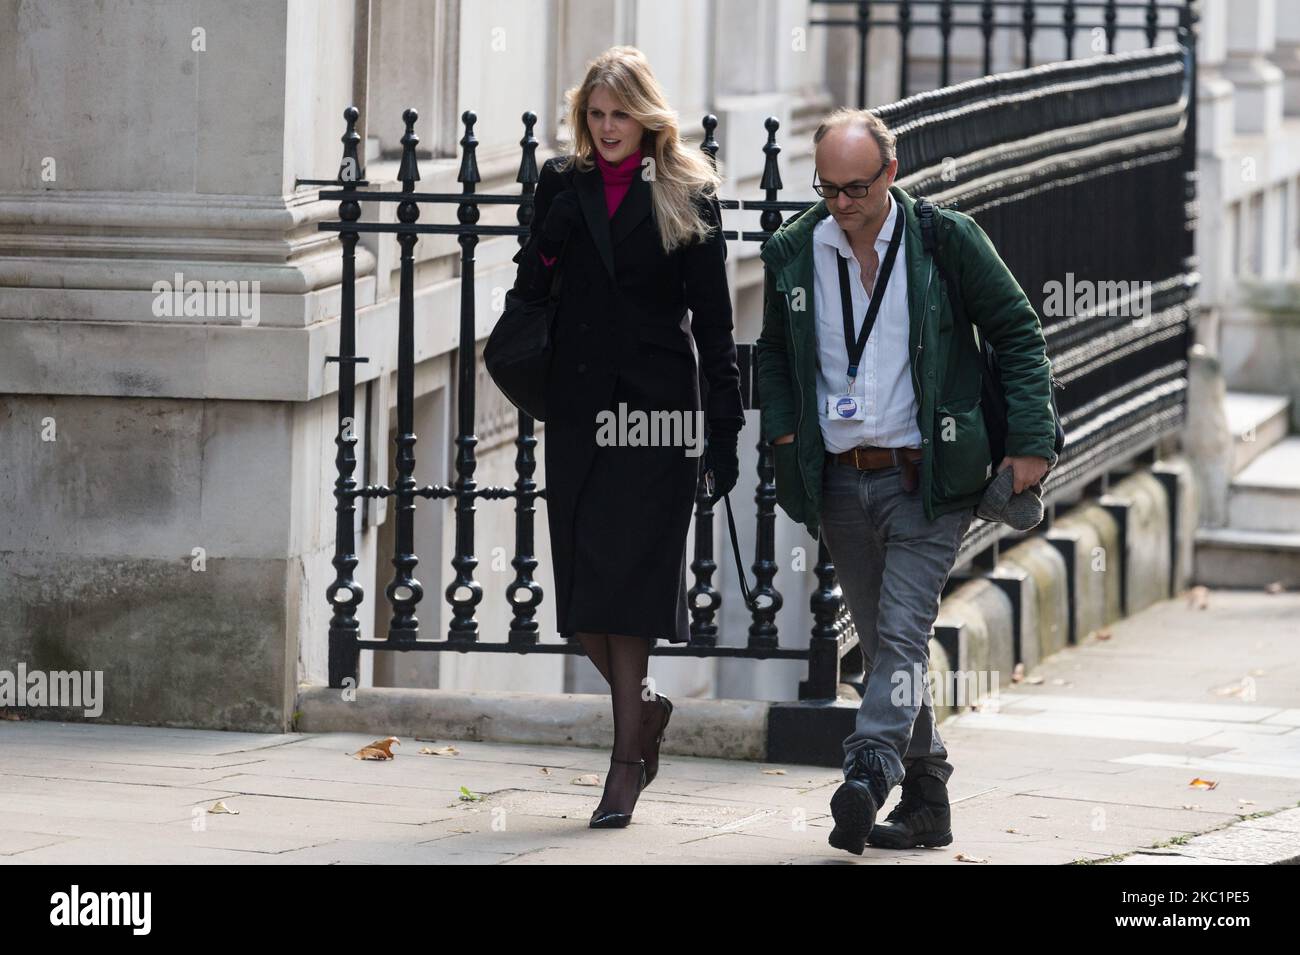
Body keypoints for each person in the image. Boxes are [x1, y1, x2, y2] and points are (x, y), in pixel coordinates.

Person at [754, 107, 1057, 854]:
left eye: (855, 188)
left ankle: (868, 771)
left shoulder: (944, 240)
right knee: (890, 647)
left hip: (927, 479)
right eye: (826, 188)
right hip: (839, 481)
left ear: (891, 173)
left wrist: (1030, 441)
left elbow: (1017, 328)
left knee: (898, 631)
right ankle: (929, 799)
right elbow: (775, 356)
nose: (840, 204)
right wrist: (787, 435)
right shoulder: (796, 251)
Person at [509, 46, 744, 829]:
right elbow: (527, 289)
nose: (608, 129)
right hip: (578, 409)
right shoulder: (562, 185)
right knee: (580, 599)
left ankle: (622, 763)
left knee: (629, 586)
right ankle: (641, 712)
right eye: (596, 115)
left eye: (621, 115)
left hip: (656, 413)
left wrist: (724, 427)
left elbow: (714, 323)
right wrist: (551, 236)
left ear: (647, 118)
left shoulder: (687, 189)